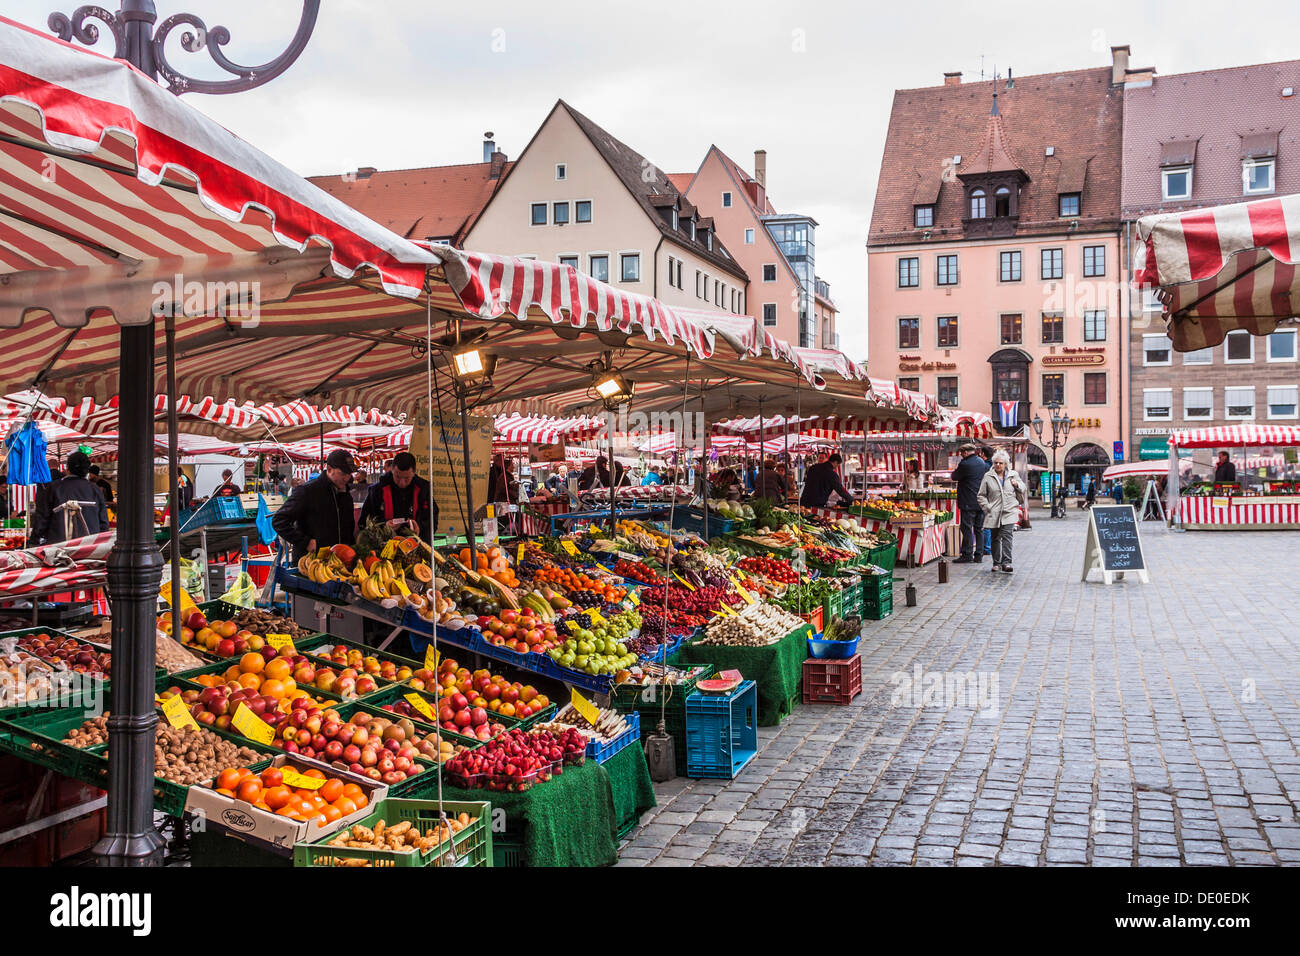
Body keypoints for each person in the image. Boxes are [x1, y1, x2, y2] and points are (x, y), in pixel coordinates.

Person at [272, 449, 358, 561]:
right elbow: (279, 520)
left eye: (349, 474)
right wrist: (305, 542)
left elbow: (348, 528)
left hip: (340, 562)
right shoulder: (307, 491)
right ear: (329, 469)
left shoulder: (346, 494)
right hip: (310, 563)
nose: (346, 478)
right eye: (342, 473)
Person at [29, 451, 108, 545]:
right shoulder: (95, 489)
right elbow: (103, 523)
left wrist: (34, 540)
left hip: (58, 546)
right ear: (87, 470)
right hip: (89, 546)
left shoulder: (54, 488)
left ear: (68, 468)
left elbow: (42, 518)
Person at [359, 451, 435, 538]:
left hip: (416, 544)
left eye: (407, 478)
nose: (402, 483)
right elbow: (364, 521)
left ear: (413, 473)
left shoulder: (424, 489)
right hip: (384, 546)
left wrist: (420, 527)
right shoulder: (377, 490)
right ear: (392, 471)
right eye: (397, 477)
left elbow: (433, 519)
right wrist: (383, 526)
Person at [977, 449, 1024, 573]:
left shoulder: (1013, 475)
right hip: (994, 512)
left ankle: (1007, 563)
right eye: (996, 463)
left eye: (1001, 463)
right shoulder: (988, 476)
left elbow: (1023, 487)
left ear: (1006, 464)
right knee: (995, 538)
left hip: (1009, 511)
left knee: (1007, 536)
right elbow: (981, 495)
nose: (998, 465)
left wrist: (1017, 485)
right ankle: (997, 563)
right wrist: (987, 507)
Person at [951, 443, 989, 563]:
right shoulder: (981, 462)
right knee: (979, 529)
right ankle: (979, 555)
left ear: (966, 452)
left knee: (967, 528)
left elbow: (954, 476)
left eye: (962, 453)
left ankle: (967, 554)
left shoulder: (965, 464)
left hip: (968, 501)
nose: (961, 455)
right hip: (980, 501)